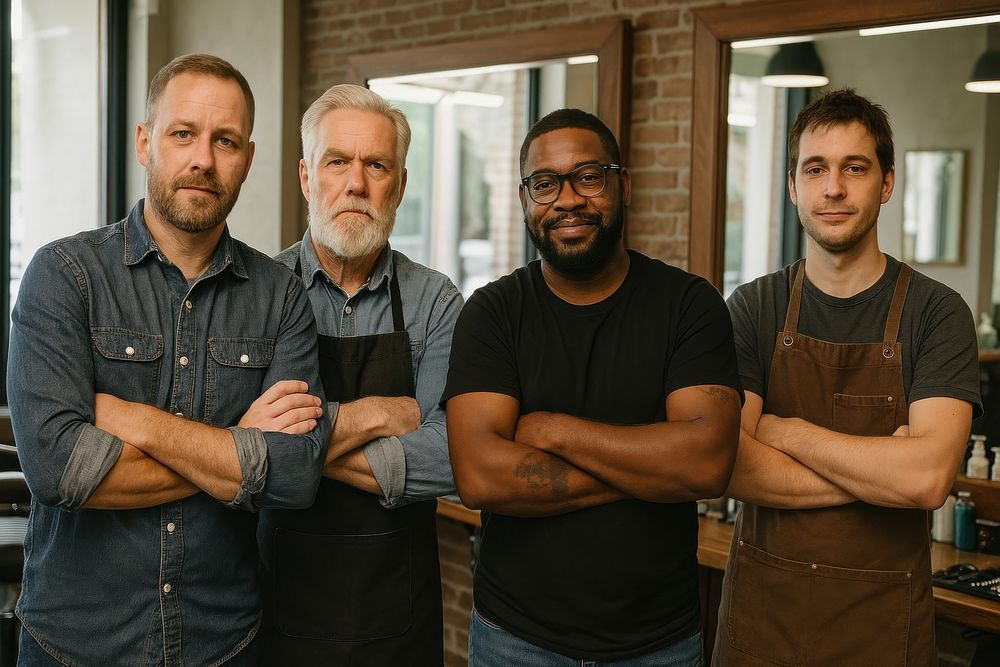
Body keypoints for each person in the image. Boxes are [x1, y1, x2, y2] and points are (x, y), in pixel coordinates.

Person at [6, 54, 330, 665]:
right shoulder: (64, 275)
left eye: (225, 140)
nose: (203, 159)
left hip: (224, 644)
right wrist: (236, 450)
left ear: (249, 160)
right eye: (183, 133)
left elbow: (292, 475)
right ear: (144, 142)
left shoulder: (280, 295)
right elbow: (59, 471)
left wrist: (132, 420)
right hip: (75, 646)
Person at [442, 108, 743, 665]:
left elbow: (705, 467)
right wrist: (649, 470)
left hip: (659, 645)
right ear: (525, 198)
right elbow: (480, 476)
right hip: (514, 640)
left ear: (622, 184)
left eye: (588, 176)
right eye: (545, 183)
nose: (568, 200)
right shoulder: (493, 313)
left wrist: (552, 430)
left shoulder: (689, 306)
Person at [713, 89, 981, 666]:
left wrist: (785, 433)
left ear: (886, 184)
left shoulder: (936, 313)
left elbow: (928, 482)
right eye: (815, 169)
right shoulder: (753, 308)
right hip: (762, 627)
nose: (833, 187)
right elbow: (726, 462)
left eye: (854, 168)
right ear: (793, 188)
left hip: (882, 635)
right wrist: (883, 471)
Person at [252, 84, 462, 665]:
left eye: (376, 165)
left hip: (398, 617)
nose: (356, 183)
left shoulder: (436, 301)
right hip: (274, 610)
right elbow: (228, 440)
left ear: (399, 182)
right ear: (305, 177)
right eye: (336, 162)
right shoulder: (256, 292)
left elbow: (452, 453)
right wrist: (386, 413)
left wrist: (293, 454)